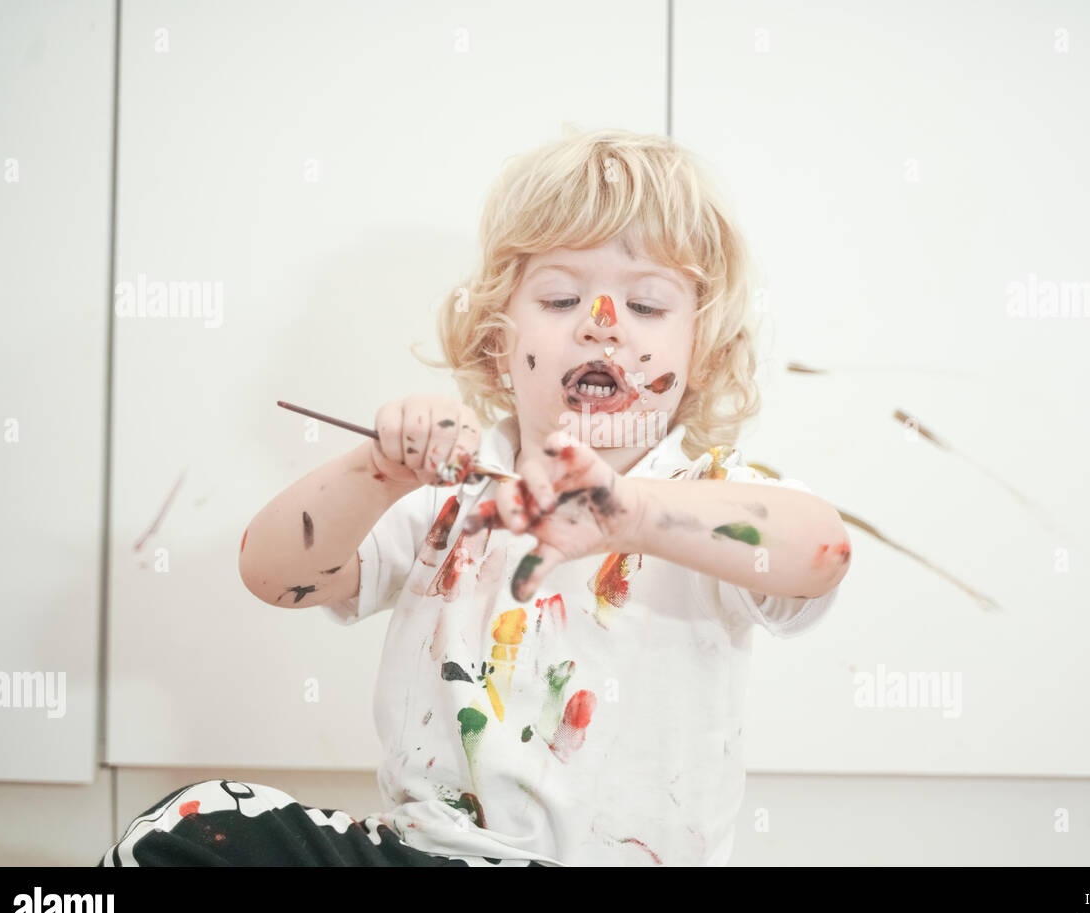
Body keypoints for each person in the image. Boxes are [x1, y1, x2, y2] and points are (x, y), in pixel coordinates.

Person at [100, 128, 851, 867]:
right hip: (431, 856)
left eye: (648, 306)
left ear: (702, 350)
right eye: (561, 296)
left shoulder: (701, 502)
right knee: (185, 829)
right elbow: (271, 572)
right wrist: (380, 472)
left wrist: (639, 514)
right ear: (497, 338)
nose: (603, 325)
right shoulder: (452, 498)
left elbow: (821, 550)